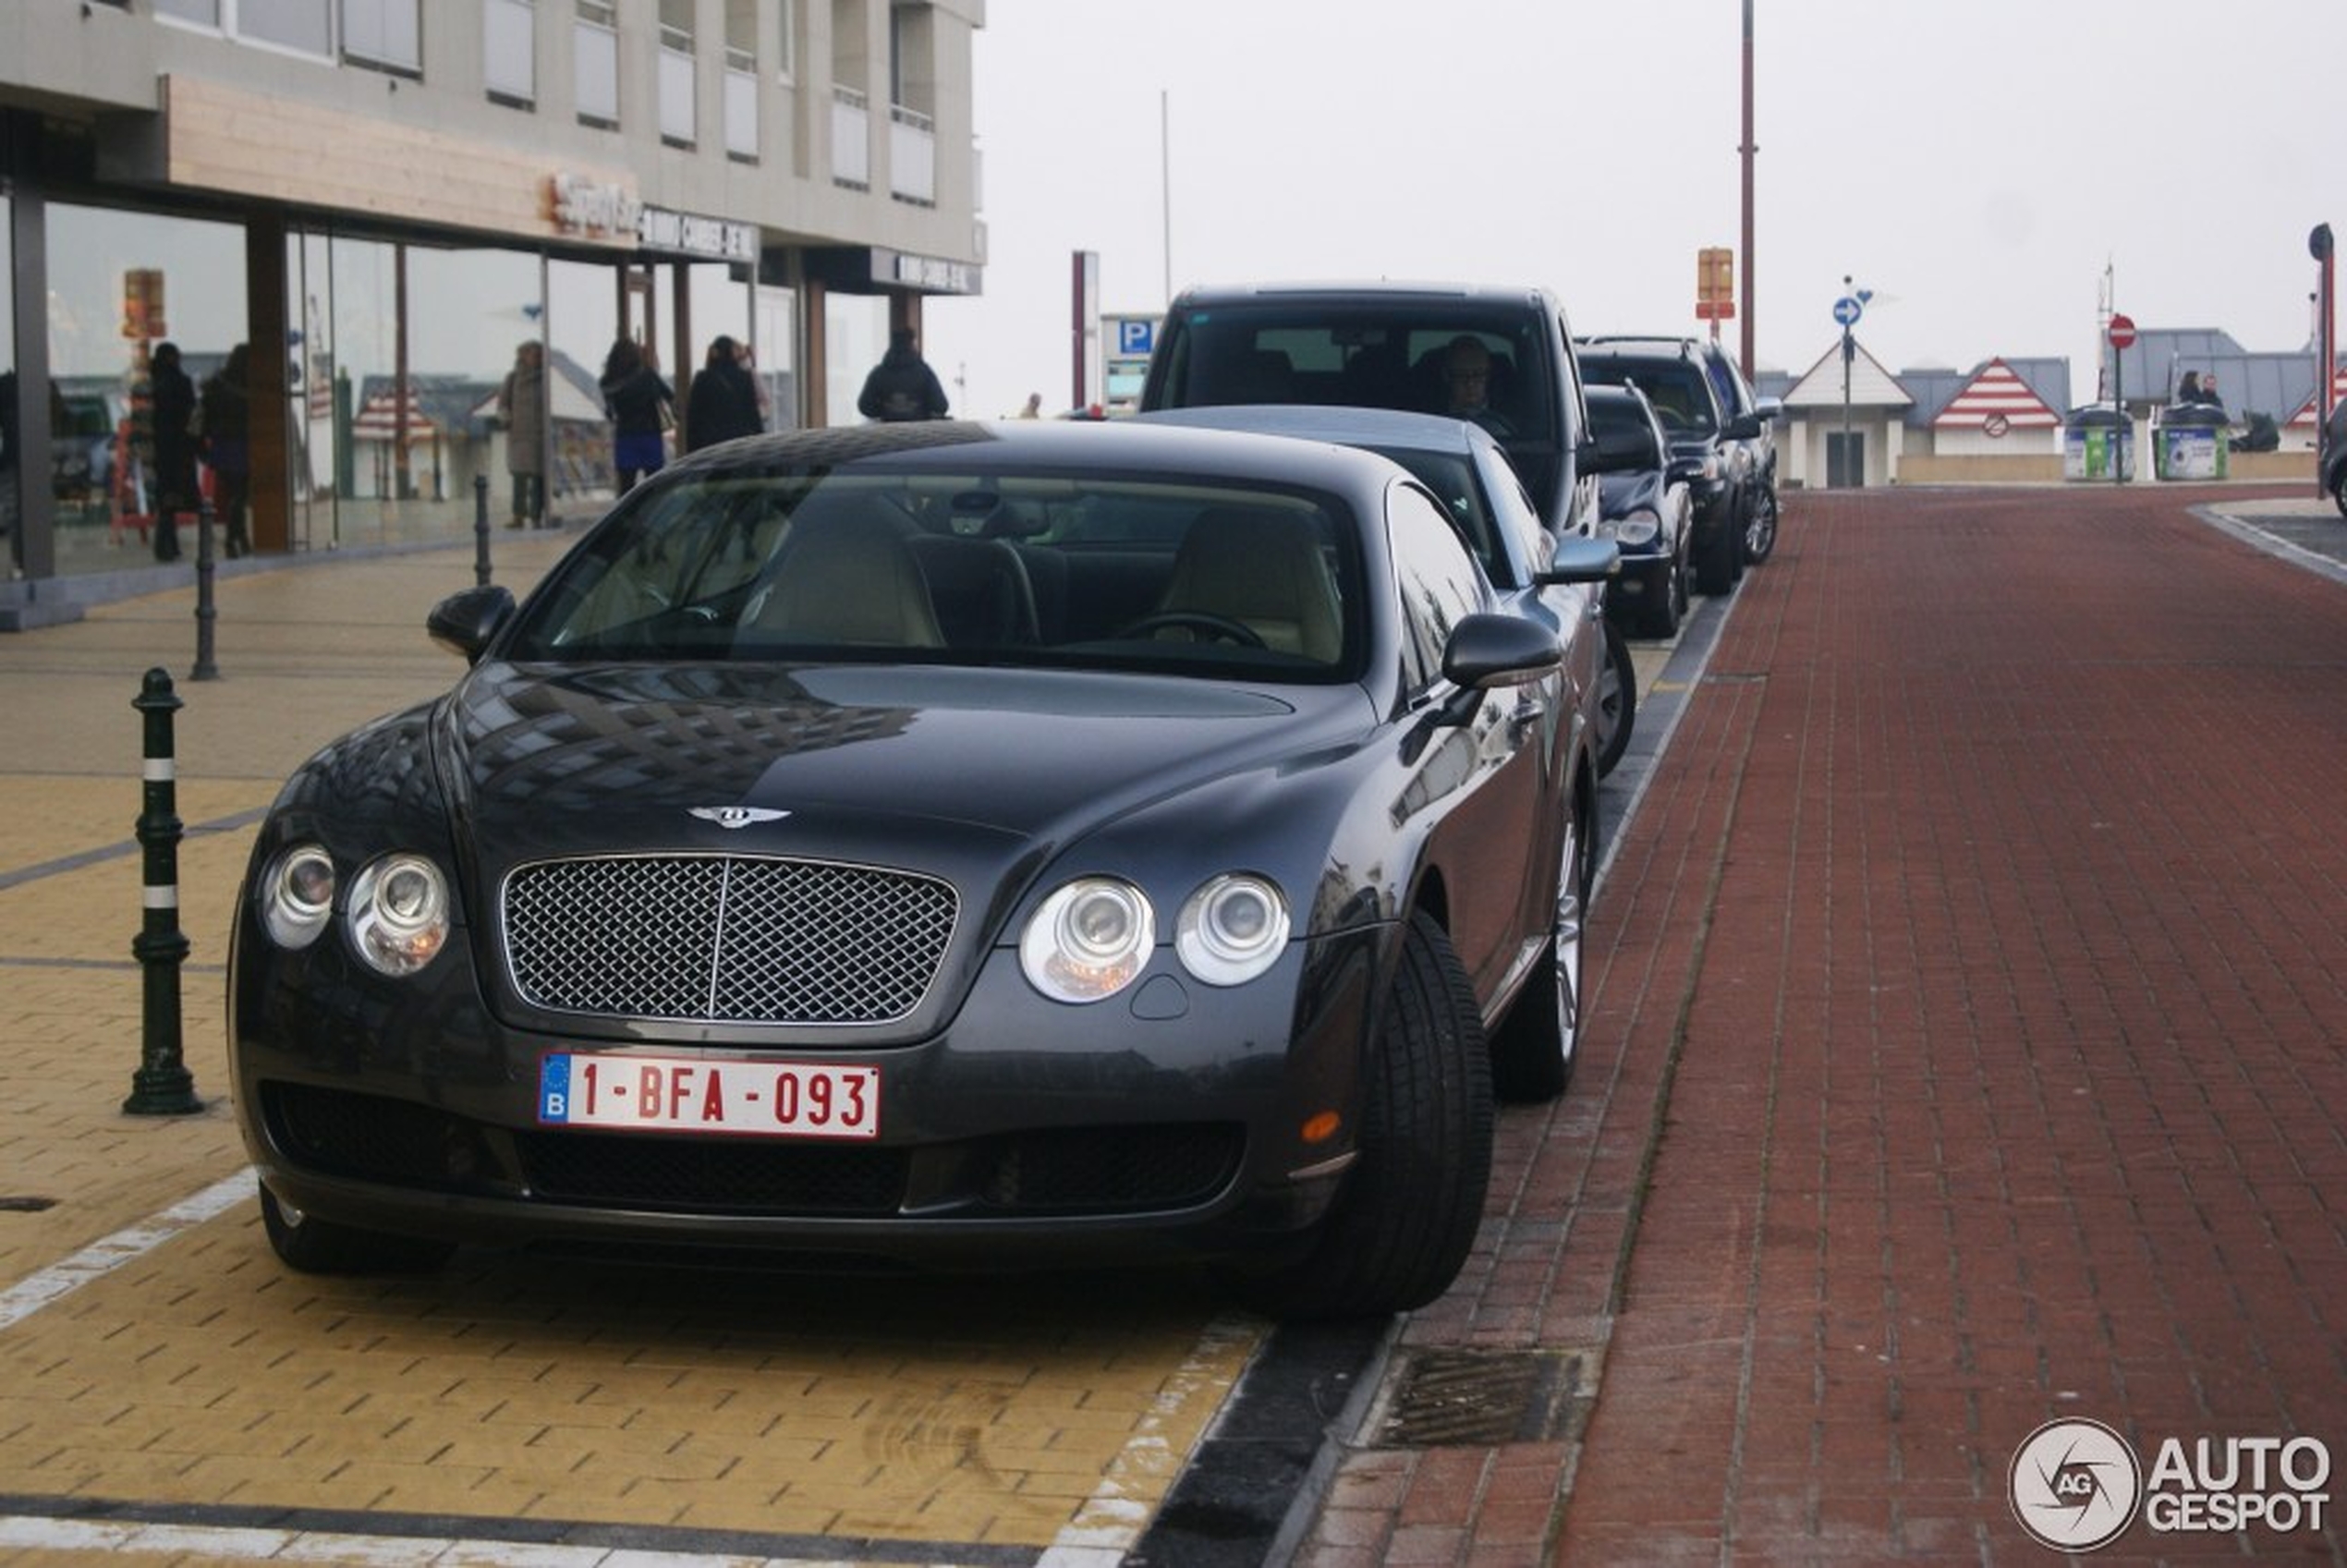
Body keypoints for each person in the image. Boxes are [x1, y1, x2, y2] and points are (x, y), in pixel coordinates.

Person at [599, 337, 675, 494]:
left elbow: (610, 413)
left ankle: (629, 518)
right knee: (654, 487)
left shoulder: (607, 382)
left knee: (626, 487)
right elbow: (670, 396)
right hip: (649, 435)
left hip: (625, 437)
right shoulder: (648, 376)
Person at [199, 343, 253, 557]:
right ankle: (234, 539)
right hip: (240, 444)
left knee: (234, 494)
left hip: (221, 445)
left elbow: (206, 414)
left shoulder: (217, 384)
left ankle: (240, 538)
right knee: (239, 495)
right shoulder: (246, 386)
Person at [147, 341, 198, 563]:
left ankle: (167, 543)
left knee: (165, 495)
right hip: (179, 446)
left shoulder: (152, 383)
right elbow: (191, 413)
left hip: (158, 447)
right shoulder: (180, 382)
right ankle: (166, 543)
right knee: (174, 496)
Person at [496, 340, 548, 529]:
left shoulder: (547, 378)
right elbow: (502, 404)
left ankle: (537, 515)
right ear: (523, 356)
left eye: (538, 354)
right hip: (519, 436)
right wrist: (506, 419)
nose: (536, 357)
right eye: (532, 353)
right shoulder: (513, 378)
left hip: (540, 436)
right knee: (519, 477)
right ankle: (518, 515)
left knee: (539, 479)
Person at [685, 334, 764, 453]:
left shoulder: (702, 378)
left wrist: (691, 450)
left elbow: (693, 416)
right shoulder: (744, 377)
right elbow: (753, 414)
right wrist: (760, 442)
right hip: (739, 444)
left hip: (709, 445)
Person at [857, 327, 949, 421]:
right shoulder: (925, 373)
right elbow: (941, 406)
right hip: (919, 431)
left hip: (887, 431)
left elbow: (865, 407)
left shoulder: (878, 373)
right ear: (912, 344)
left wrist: (885, 410)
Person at [1438, 334, 1512, 436]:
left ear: (1489, 374)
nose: (1470, 383)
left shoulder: (1513, 417)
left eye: (1478, 374)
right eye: (1461, 375)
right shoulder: (1428, 418)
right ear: (1446, 376)